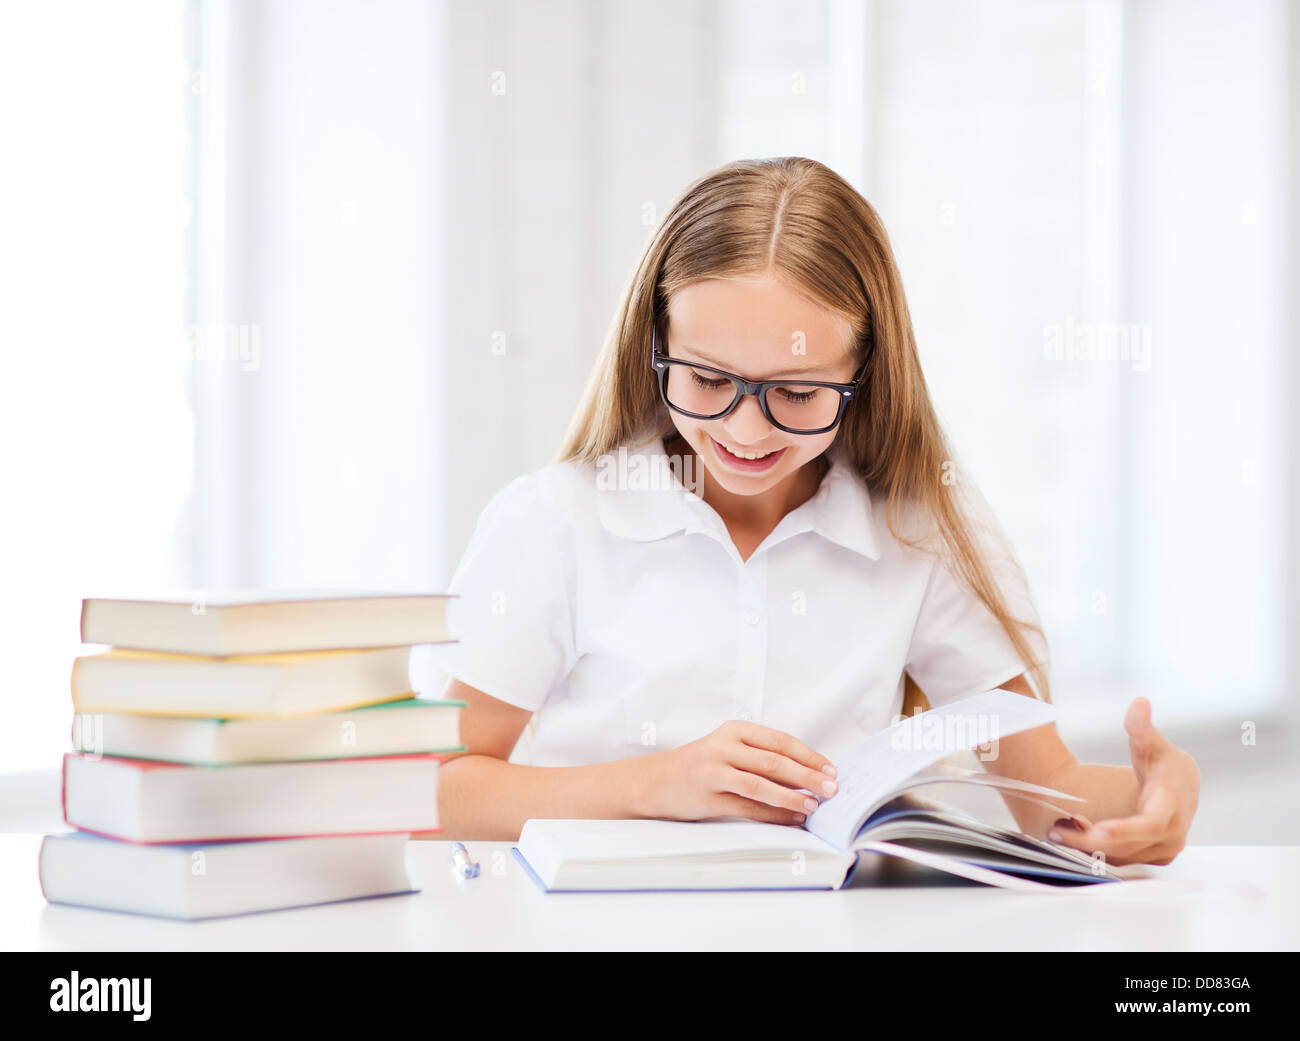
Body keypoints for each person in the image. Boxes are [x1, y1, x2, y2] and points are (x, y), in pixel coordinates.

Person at [428, 156, 1199, 866]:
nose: (745, 430)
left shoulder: (916, 532)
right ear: (655, 343)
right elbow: (435, 788)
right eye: (705, 379)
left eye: (796, 393)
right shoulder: (556, 523)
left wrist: (1150, 799)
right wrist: (655, 783)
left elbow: (1047, 790)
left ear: (865, 368)